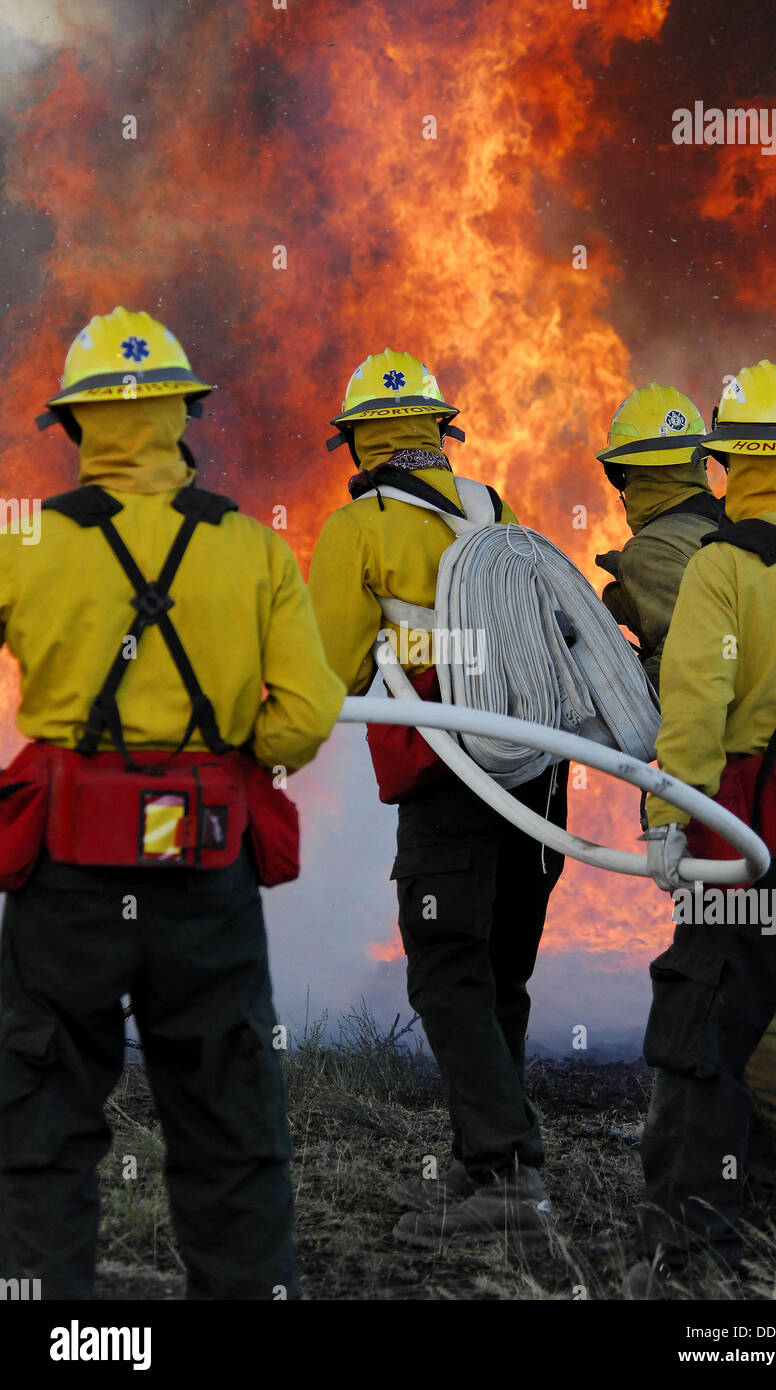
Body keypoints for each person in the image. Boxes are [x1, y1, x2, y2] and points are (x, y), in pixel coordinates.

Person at [0, 307, 345, 1300]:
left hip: (65, 876)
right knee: (229, 1114)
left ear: (75, 427)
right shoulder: (252, 549)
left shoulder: (27, 543)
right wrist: (242, 749)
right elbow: (308, 712)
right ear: (180, 417)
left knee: (42, 1110)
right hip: (205, 874)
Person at [308, 349, 567, 1248]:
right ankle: (487, 1163)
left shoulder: (361, 526)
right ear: (438, 435)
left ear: (357, 443)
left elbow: (327, 670)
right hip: (539, 774)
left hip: (450, 774)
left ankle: (503, 1179)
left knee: (446, 969)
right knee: (499, 971)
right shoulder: (498, 511)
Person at [634, 360, 776, 1292]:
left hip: (743, 858)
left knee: (703, 1050)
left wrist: (665, 825)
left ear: (726, 462)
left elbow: (692, 712)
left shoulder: (719, 567)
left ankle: (694, 1262)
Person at [595, 383, 776, 1200]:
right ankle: (771, 1182)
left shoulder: (655, 555)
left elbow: (690, 693)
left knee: (738, 1013)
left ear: (623, 479)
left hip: (726, 801)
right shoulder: (744, 534)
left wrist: (667, 820)